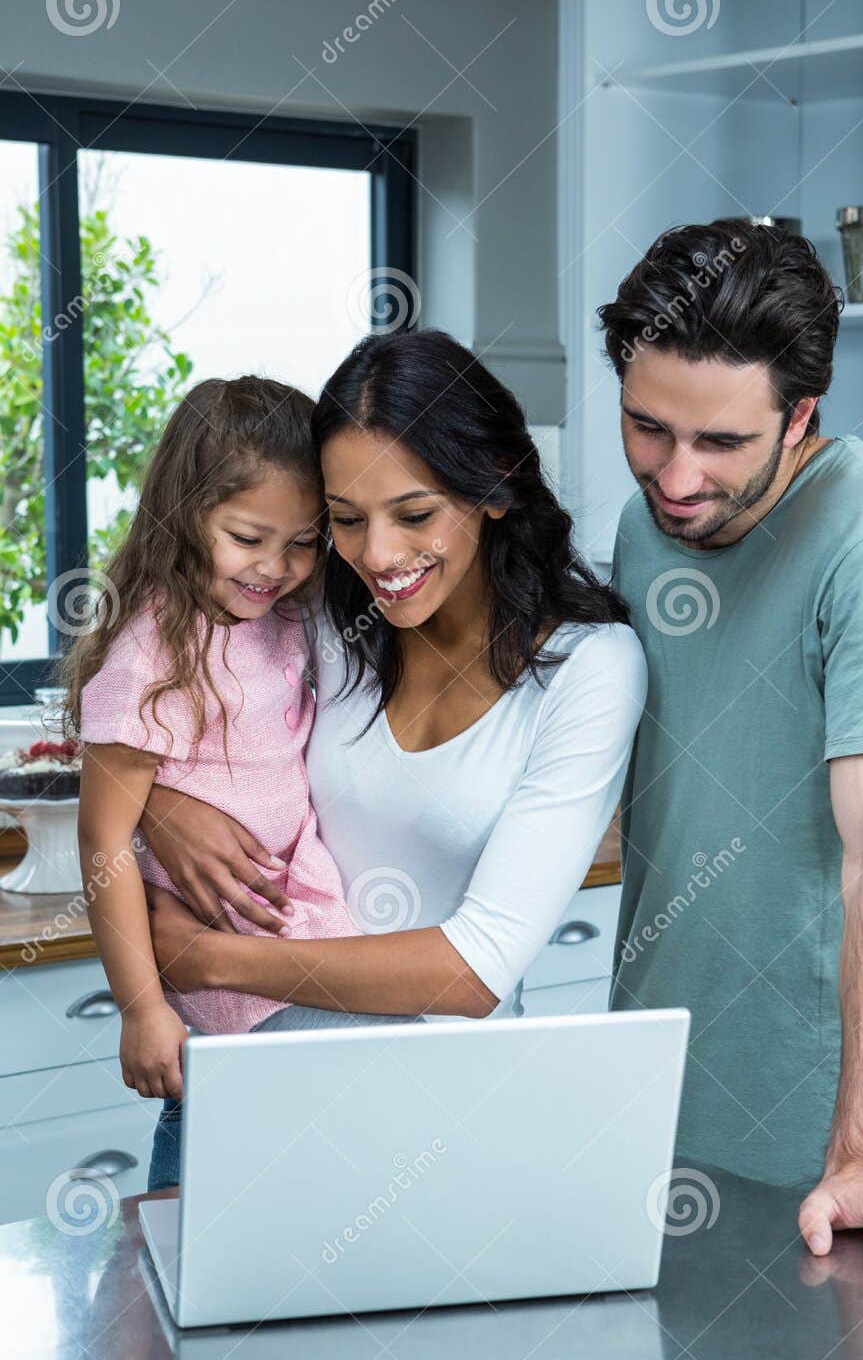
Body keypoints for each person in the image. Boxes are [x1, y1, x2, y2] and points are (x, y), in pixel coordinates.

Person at [599, 219, 863, 1278]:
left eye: (720, 443)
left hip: (818, 1135)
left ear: (800, 415)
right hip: (653, 1083)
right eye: (646, 428)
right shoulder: (648, 529)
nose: (675, 475)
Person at [135, 331, 647, 1044]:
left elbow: (475, 969)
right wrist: (159, 805)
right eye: (345, 519)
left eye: (414, 515)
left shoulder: (590, 668)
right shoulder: (312, 610)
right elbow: (125, 703)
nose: (376, 555)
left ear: (493, 487)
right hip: (246, 1071)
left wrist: (218, 960)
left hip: (442, 1102)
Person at [67, 377, 409, 1192]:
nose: (276, 568)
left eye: (302, 543)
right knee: (233, 1175)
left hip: (305, 927)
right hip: (232, 968)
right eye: (248, 537)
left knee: (308, 1166)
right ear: (184, 513)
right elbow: (101, 836)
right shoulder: (151, 653)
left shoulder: (282, 612)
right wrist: (142, 1009)